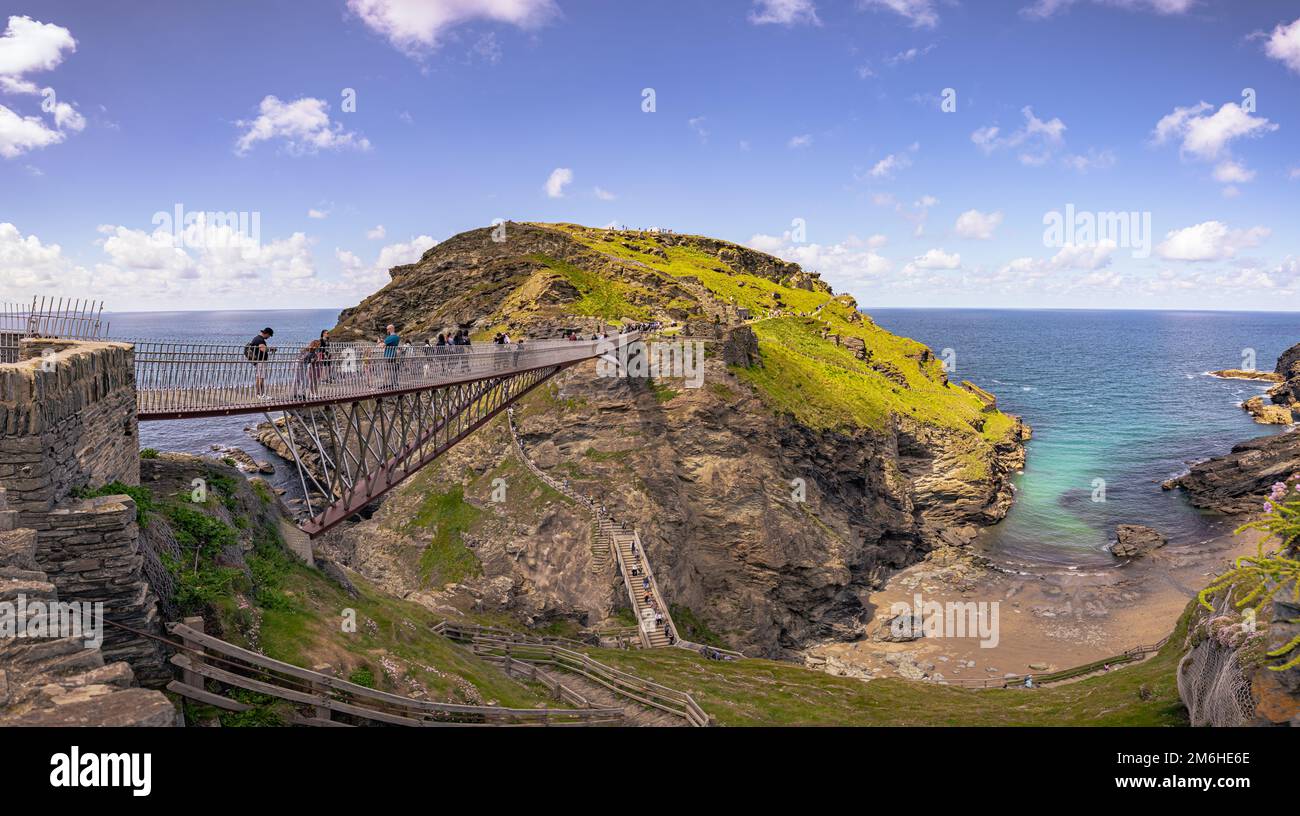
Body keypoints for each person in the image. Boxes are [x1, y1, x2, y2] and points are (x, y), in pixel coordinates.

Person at [245, 327, 274, 398]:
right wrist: (272, 349)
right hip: (261, 361)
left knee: (259, 377)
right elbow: (263, 349)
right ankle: (261, 394)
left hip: (258, 361)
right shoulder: (260, 340)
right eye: (269, 336)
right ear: (267, 333)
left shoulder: (256, 338)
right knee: (261, 378)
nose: (269, 337)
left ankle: (259, 394)